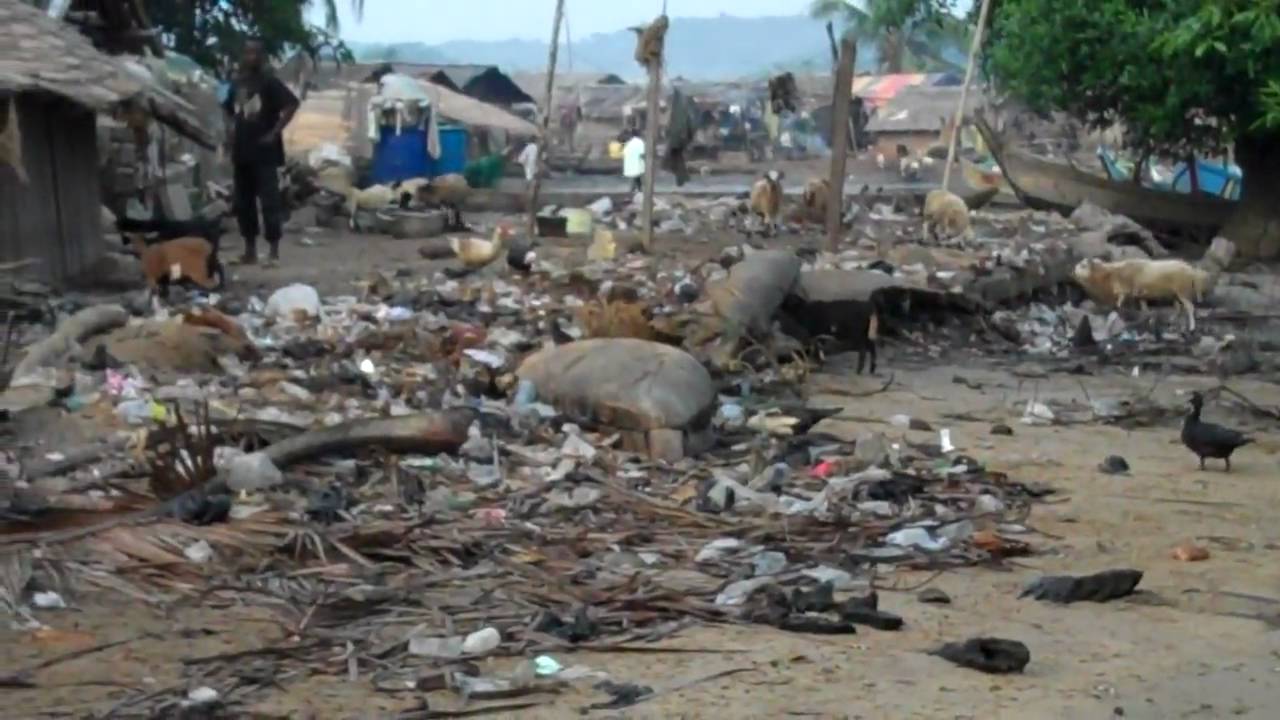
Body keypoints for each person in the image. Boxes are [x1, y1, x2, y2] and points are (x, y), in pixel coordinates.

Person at [222, 38, 298, 265]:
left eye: (254, 53)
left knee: (269, 202)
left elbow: (292, 104)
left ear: (261, 56)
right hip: (242, 151)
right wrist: (230, 132)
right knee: (243, 203)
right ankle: (250, 250)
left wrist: (274, 133)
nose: (250, 57)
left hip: (265, 152)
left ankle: (273, 251)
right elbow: (228, 109)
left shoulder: (269, 83)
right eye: (247, 53)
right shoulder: (237, 84)